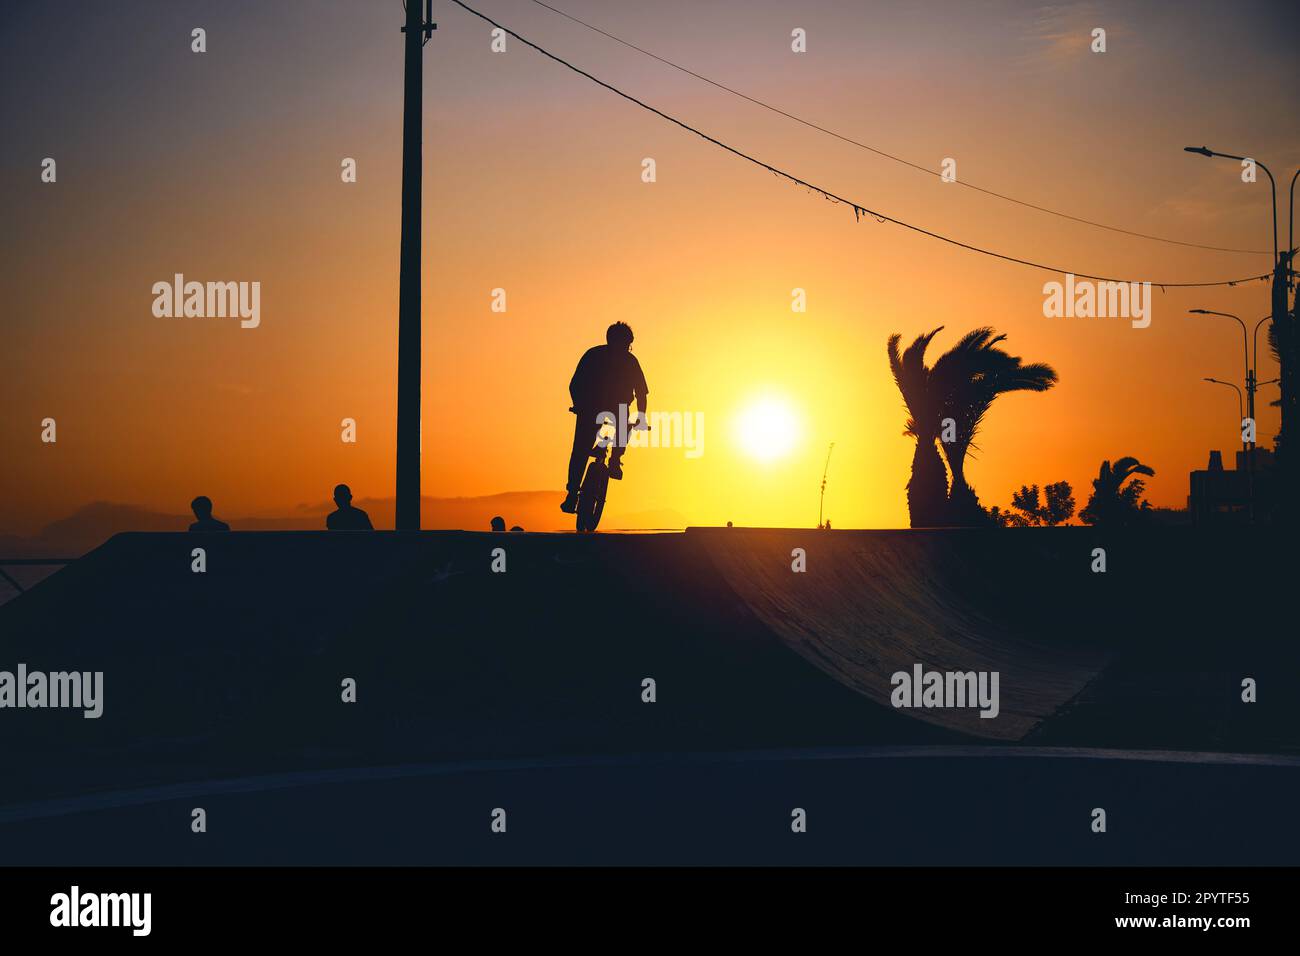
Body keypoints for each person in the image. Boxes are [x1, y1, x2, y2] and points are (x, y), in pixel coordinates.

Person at [562, 321, 649, 513]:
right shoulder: (629, 361)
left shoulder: (593, 354)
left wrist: (579, 405)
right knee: (621, 427)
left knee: (580, 451)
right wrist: (641, 417)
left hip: (590, 409)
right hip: (606, 408)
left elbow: (574, 384)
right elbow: (641, 393)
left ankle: (572, 495)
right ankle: (615, 461)